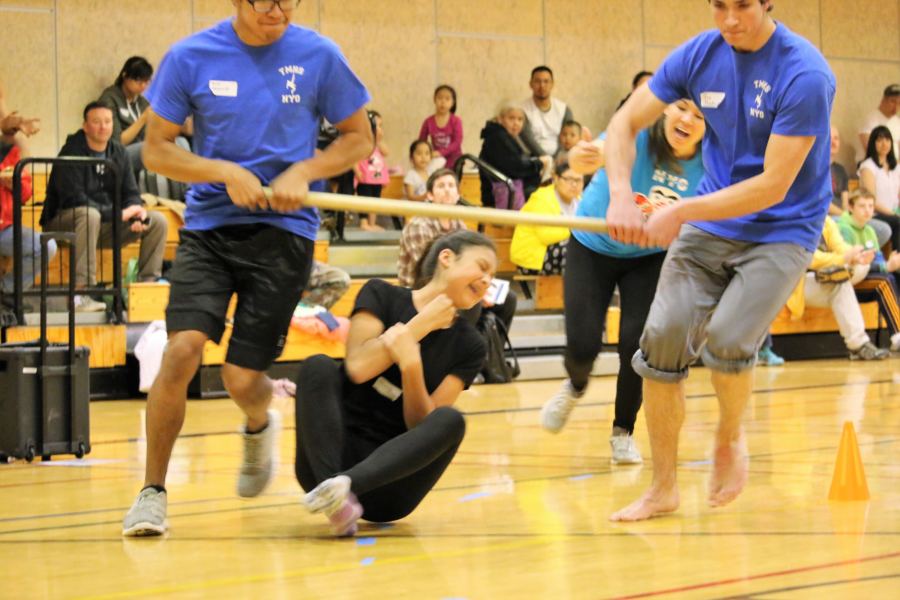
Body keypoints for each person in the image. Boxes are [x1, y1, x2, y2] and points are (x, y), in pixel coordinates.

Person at [121, 0, 372, 537]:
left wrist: (305, 170)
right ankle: (151, 492)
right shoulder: (191, 55)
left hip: (285, 234)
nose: (277, 9)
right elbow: (157, 151)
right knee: (182, 349)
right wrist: (221, 172)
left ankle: (259, 423)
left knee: (240, 377)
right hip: (210, 229)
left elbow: (359, 138)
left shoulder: (319, 55)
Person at [603, 0, 836, 521]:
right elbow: (623, 124)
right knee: (660, 339)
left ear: (768, 3)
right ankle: (663, 488)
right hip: (712, 221)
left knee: (729, 338)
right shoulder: (699, 55)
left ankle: (731, 437)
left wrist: (681, 210)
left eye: (744, 6)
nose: (731, 19)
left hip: (782, 227)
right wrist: (620, 192)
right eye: (719, 6)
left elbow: (773, 187)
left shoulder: (805, 73)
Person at [539, 100, 705, 468]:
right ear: (663, 108)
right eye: (680, 108)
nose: (687, 120)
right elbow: (596, 152)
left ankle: (622, 432)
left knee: (636, 345)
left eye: (699, 116)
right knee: (583, 345)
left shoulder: (712, 161)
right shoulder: (638, 133)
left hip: (648, 255)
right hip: (592, 244)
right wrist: (583, 156)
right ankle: (576, 384)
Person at [296, 230, 494, 536]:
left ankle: (343, 488)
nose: (486, 280)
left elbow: (425, 426)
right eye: (481, 266)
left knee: (451, 420)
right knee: (317, 366)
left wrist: (411, 366)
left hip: (388, 487)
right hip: (328, 460)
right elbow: (359, 368)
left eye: (492, 275)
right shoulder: (380, 295)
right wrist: (420, 325)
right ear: (446, 258)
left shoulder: (471, 345)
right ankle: (334, 498)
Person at [42, 101, 168, 312]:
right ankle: (81, 295)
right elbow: (75, 200)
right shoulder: (71, 152)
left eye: (108, 121)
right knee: (89, 215)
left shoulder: (119, 152)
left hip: (103, 225)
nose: (103, 127)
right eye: (97, 122)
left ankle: (148, 291)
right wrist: (118, 214)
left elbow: (131, 193)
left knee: (157, 221)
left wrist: (136, 214)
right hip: (64, 225)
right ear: (85, 126)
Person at [398, 169, 517, 332]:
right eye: (441, 186)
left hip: (455, 285)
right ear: (430, 196)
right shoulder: (418, 225)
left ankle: (492, 354)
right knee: (470, 304)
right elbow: (430, 273)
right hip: (422, 292)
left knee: (508, 299)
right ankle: (463, 354)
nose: (447, 189)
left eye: (451, 185)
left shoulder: (459, 225)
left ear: (457, 195)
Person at [785, 216, 888, 360]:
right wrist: (844, 258)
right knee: (840, 281)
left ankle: (858, 345)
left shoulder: (825, 221)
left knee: (857, 268)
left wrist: (856, 256)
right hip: (797, 284)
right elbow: (811, 259)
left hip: (825, 279)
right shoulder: (792, 222)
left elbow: (840, 246)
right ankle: (858, 345)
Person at [837, 189, 900, 353]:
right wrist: (886, 266)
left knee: (890, 277)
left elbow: (877, 262)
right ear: (850, 207)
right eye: (862, 206)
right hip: (845, 282)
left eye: (871, 206)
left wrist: (888, 264)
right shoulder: (844, 229)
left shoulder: (870, 231)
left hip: (863, 279)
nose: (867, 211)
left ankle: (897, 336)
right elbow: (850, 266)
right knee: (884, 282)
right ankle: (898, 336)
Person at [0, 132, 56, 312]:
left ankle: (6, 291)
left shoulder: (10, 154)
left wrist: (14, 184)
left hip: (5, 227)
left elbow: (26, 193)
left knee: (46, 246)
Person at [509, 161, 583, 275]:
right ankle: (575, 291)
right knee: (574, 249)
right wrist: (578, 229)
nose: (574, 184)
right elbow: (546, 236)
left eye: (578, 180)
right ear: (556, 178)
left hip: (558, 253)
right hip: (533, 258)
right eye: (568, 179)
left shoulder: (580, 200)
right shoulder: (541, 198)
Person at [478, 103, 550, 208]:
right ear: (500, 119)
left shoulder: (504, 135)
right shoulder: (497, 137)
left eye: (520, 119)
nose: (516, 123)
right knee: (545, 196)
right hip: (500, 193)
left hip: (510, 188)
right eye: (511, 118)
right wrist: (539, 163)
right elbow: (516, 168)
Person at [830, 126, 891, 246]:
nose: (833, 142)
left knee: (882, 229)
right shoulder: (815, 169)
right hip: (827, 218)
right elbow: (823, 204)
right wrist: (846, 216)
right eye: (830, 138)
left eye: (836, 138)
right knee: (848, 229)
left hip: (845, 215)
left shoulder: (840, 169)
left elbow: (845, 201)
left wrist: (851, 214)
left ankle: (866, 259)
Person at [98, 56, 153, 174]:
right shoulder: (110, 98)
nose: (143, 86)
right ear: (125, 75)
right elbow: (118, 142)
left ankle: (188, 190)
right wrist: (143, 119)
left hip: (140, 150)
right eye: (139, 81)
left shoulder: (141, 102)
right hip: (116, 155)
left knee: (179, 142)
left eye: (146, 82)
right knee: (151, 149)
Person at [858, 125, 900, 251]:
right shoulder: (867, 167)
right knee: (898, 222)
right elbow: (872, 201)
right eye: (879, 140)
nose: (884, 144)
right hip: (875, 214)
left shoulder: (895, 167)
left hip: (894, 212)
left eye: (887, 140)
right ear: (873, 143)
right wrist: (893, 214)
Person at [520, 66, 574, 157]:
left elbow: (568, 137)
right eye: (537, 81)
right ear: (530, 84)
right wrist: (547, 160)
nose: (542, 86)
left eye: (546, 81)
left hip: (560, 157)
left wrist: (557, 159)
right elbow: (528, 140)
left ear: (552, 84)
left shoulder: (564, 109)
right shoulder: (522, 110)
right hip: (533, 159)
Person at [355, 110, 390, 231]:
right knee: (364, 201)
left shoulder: (378, 144)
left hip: (377, 179)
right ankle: (364, 222)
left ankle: (372, 222)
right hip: (365, 179)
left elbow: (386, 152)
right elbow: (354, 157)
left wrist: (378, 141)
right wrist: (356, 170)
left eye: (381, 126)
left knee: (375, 201)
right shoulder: (363, 143)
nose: (379, 129)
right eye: (377, 126)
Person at [418, 85, 463, 170]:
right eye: (439, 98)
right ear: (434, 100)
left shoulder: (456, 121)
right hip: (437, 162)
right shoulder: (428, 121)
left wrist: (440, 153)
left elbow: (457, 142)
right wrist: (424, 155)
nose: (443, 102)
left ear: (453, 102)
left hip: (454, 162)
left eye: (447, 99)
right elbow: (421, 142)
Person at [857, 84, 900, 163]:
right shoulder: (871, 119)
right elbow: (870, 148)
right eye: (893, 101)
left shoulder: (897, 122)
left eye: (899, 103)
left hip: (894, 167)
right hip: (872, 165)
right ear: (883, 100)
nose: (896, 106)